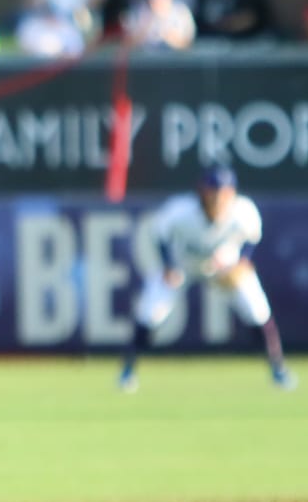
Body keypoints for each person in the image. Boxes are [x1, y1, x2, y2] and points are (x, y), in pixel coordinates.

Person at [118, 166, 295, 393]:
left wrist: (242, 263)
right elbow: (159, 234)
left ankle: (278, 369)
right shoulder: (181, 211)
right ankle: (128, 370)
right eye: (212, 191)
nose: (217, 197)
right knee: (151, 313)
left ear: (231, 193)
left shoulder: (243, 211)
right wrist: (168, 265)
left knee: (256, 309)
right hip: (183, 265)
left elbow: (252, 237)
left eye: (222, 192)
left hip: (224, 265)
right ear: (201, 191)